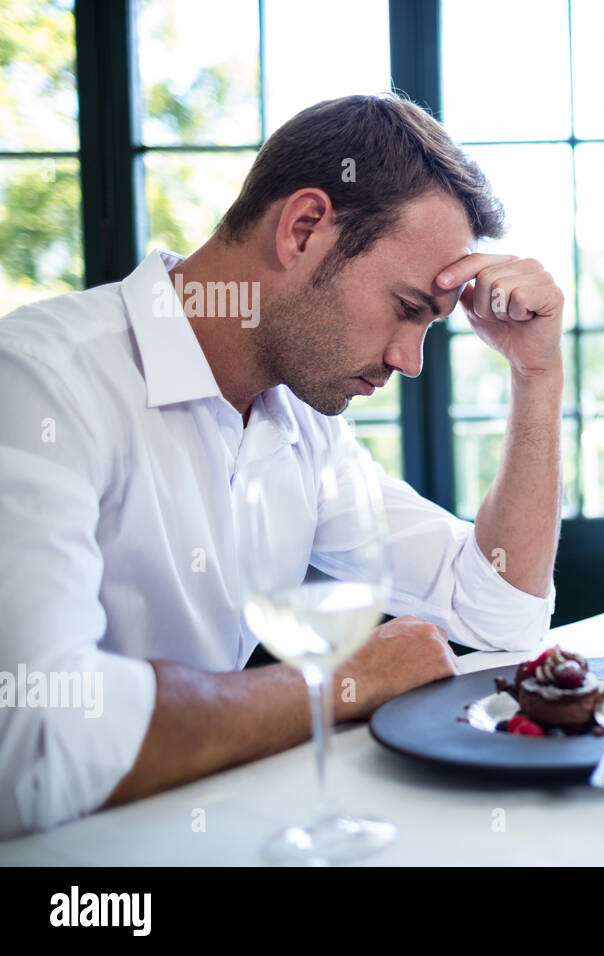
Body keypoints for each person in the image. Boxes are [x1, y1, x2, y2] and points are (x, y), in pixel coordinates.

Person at [0, 94, 565, 837]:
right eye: (403, 306)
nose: (408, 359)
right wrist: (343, 680)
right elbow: (40, 743)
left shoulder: (298, 421)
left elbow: (502, 611)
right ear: (303, 229)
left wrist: (537, 378)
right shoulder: (41, 381)